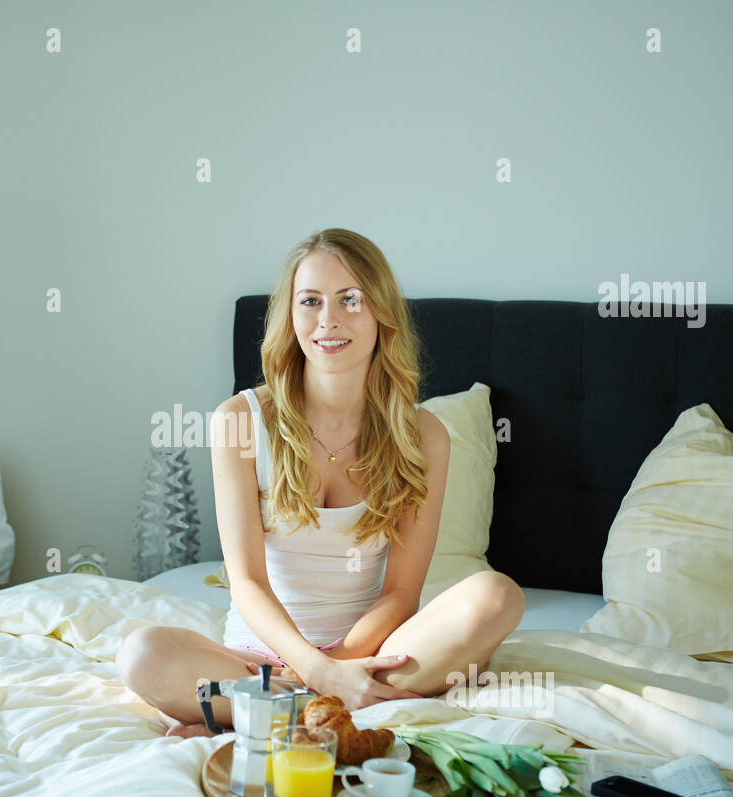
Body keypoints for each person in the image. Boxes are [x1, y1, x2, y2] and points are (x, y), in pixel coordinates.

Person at [117, 228, 524, 736]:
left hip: (372, 654)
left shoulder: (424, 436)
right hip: (259, 662)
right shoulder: (240, 421)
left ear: (380, 313)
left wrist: (340, 665)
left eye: (350, 300)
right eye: (310, 301)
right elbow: (247, 583)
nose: (328, 320)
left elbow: (401, 592)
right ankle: (331, 706)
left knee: (497, 597)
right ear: (290, 315)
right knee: (142, 654)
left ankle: (274, 714)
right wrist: (314, 669)